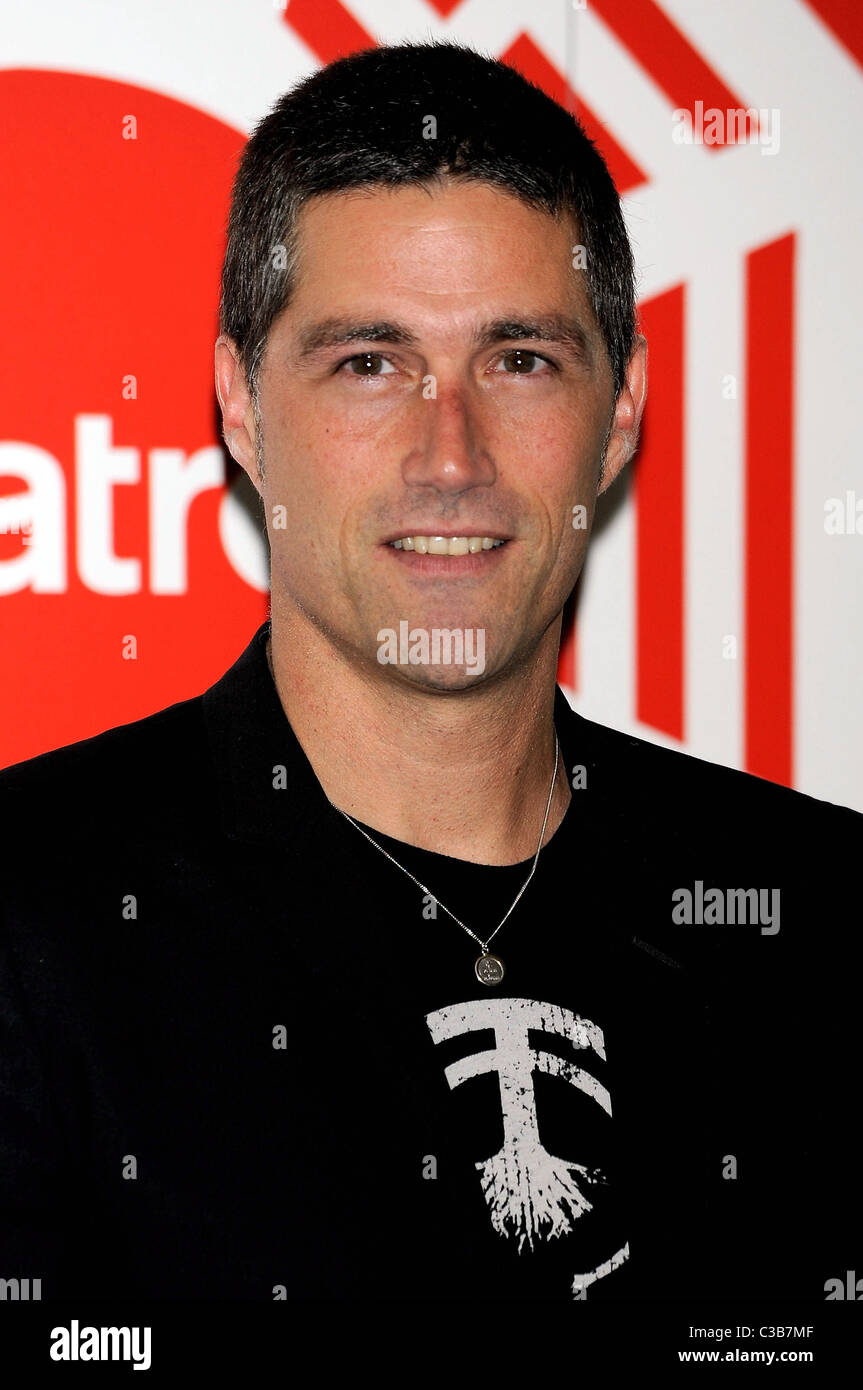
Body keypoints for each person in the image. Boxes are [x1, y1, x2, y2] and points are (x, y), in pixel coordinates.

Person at [0, 40, 859, 1304]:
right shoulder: (31, 924)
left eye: (519, 359)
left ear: (618, 410)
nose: (447, 454)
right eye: (369, 363)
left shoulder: (821, 924)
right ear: (240, 404)